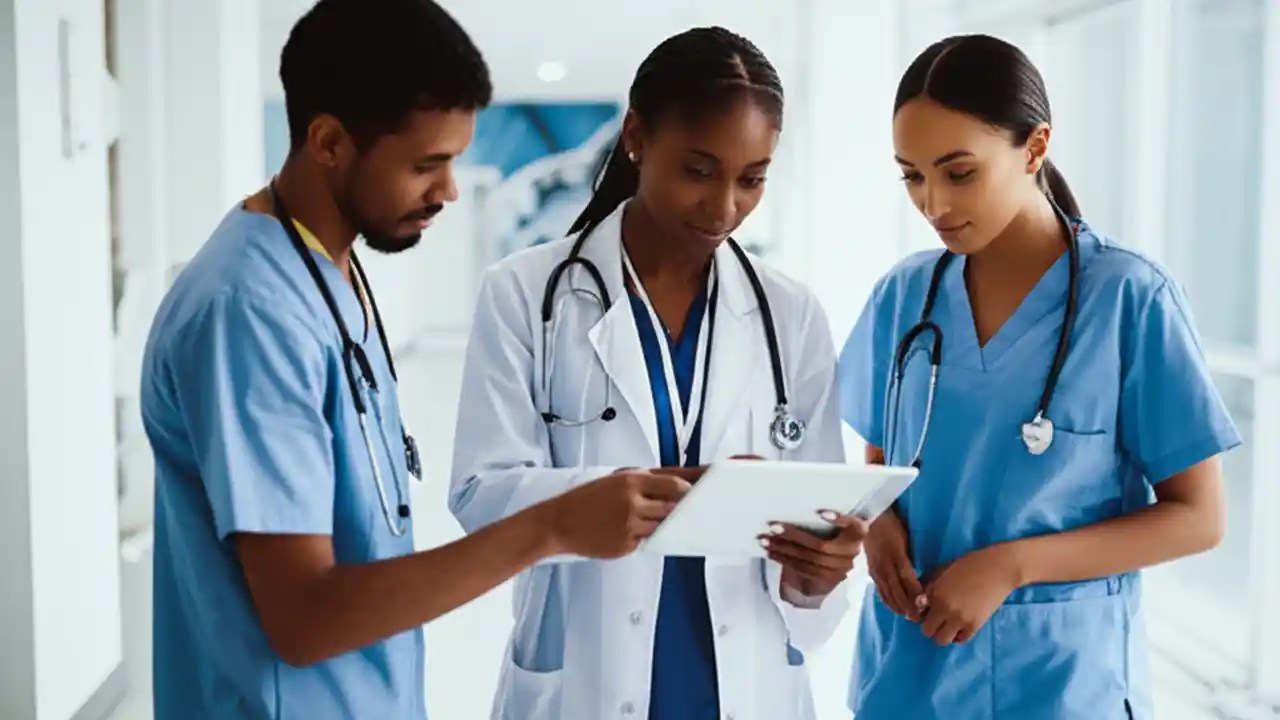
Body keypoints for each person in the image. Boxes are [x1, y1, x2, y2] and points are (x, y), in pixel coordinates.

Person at [139, 2, 690, 718]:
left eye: (455, 159)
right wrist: (551, 526)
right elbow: (305, 619)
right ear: (330, 142)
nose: (449, 191)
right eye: (426, 164)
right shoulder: (250, 313)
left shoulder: (328, 269)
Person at [448, 26, 867, 720]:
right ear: (637, 137)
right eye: (699, 170)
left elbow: (817, 507)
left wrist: (816, 575)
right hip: (581, 677)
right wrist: (614, 496)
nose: (724, 206)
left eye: (752, 178)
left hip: (745, 684)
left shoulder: (790, 315)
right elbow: (477, 491)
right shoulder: (526, 294)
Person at [837, 34, 1242, 719]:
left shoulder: (1128, 299)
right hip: (908, 678)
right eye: (912, 175)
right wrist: (876, 528)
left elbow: (1198, 519)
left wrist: (1011, 565)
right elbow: (878, 467)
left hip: (1060, 684)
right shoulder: (904, 298)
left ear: (1034, 147)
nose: (932, 203)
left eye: (958, 172)